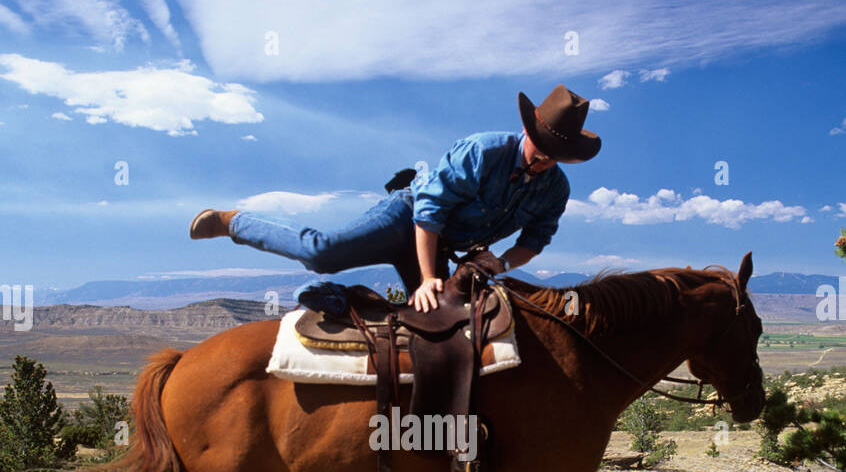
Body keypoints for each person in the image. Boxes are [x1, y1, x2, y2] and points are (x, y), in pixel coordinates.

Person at [189, 85, 601, 312]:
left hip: (443, 243)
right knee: (323, 253)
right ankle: (233, 222)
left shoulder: (555, 189)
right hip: (407, 217)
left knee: (443, 317)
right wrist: (427, 278)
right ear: (528, 132)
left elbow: (535, 239)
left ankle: (344, 305)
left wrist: (502, 262)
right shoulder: (483, 151)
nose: (544, 161)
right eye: (540, 150)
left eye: (555, 158)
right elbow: (429, 212)